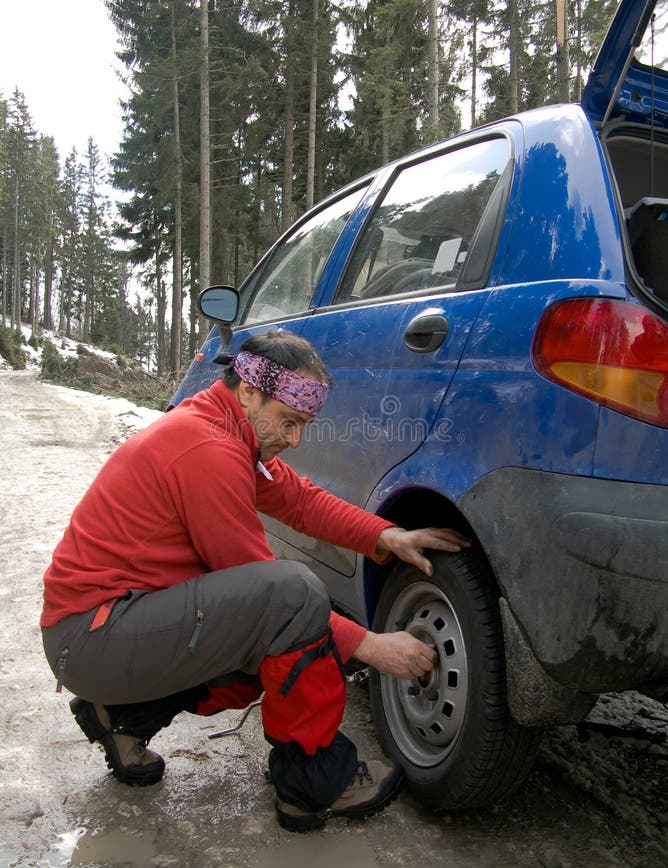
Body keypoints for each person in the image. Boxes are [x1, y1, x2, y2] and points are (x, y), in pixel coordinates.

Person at [41, 330, 471, 832]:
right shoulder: (207, 449)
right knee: (294, 597)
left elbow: (301, 501)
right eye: (289, 422)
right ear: (249, 392)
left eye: (303, 425)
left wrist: (387, 535)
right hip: (94, 637)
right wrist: (372, 646)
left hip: (104, 630)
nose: (294, 440)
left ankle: (119, 716)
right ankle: (314, 782)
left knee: (278, 647)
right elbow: (275, 602)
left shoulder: (226, 431)